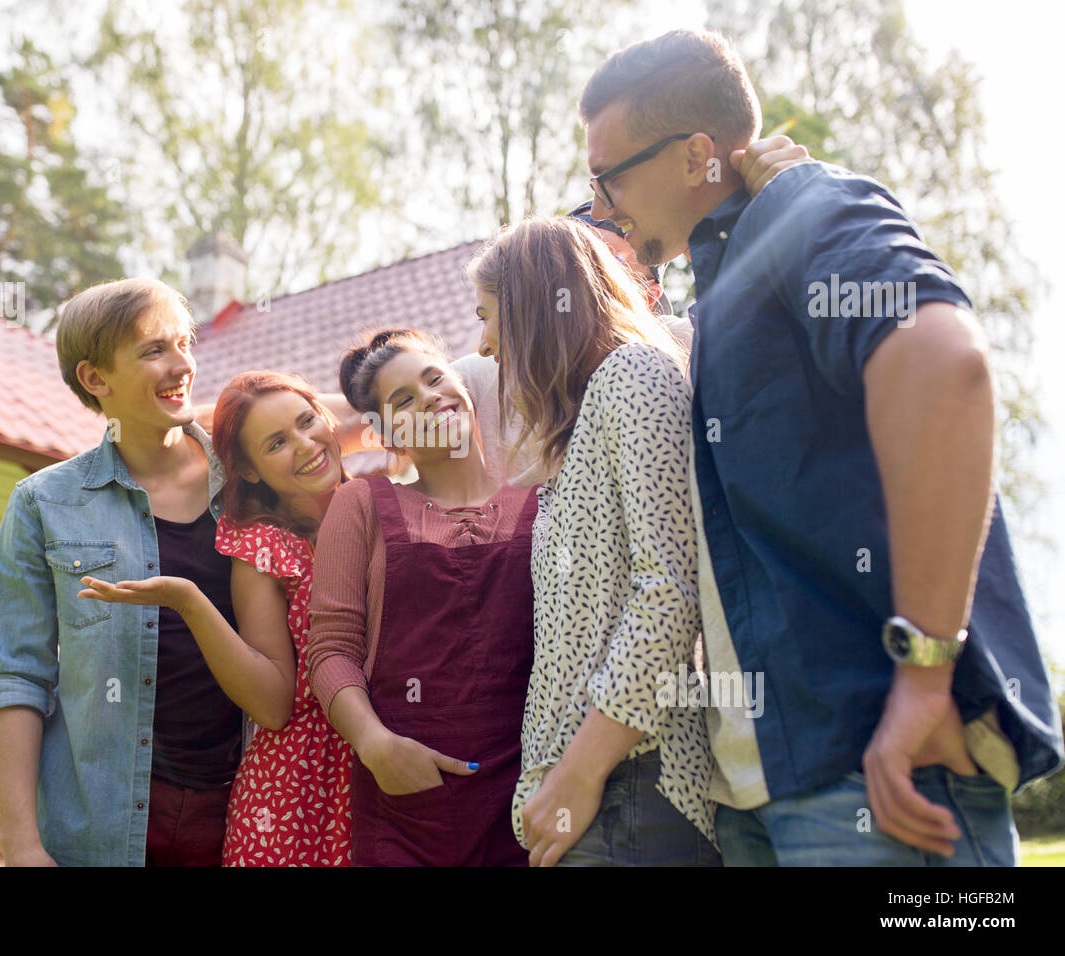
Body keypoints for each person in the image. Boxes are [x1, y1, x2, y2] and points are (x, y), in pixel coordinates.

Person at [579, 29, 1063, 865]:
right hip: (764, 792)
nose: (600, 201)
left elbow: (947, 369)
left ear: (697, 154)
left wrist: (924, 671)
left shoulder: (806, 206)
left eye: (610, 174)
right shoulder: (724, 285)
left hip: (874, 773)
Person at [467, 216, 720, 867]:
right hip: (592, 796)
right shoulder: (576, 433)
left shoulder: (635, 375)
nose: (486, 343)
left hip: (635, 783)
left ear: (535, 309)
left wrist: (580, 772)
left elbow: (669, 594)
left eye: (489, 316)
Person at [0, 277, 242, 866]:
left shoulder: (250, 479)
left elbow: (327, 422)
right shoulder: (43, 503)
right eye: (154, 350)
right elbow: (18, 677)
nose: (183, 365)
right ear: (95, 378)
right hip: (102, 826)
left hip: (247, 814)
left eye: (185, 342)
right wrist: (20, 844)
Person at [80, 371, 354, 866]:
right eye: (275, 443)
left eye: (307, 420)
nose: (305, 444)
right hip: (295, 798)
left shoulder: (385, 510)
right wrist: (188, 601)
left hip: (386, 772)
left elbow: (399, 403)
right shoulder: (262, 549)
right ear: (247, 472)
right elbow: (271, 707)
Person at [452, 137, 812, 490]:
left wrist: (797, 197)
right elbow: (419, 389)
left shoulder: (676, 351)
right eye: (580, 262)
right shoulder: (502, 366)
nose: (593, 275)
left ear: (650, 294)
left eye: (609, 265)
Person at [305, 329, 536, 866]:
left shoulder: (540, 506)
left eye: (435, 379)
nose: (431, 396)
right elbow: (332, 649)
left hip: (529, 793)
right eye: (404, 399)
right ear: (386, 434)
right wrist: (375, 745)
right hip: (403, 802)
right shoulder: (360, 503)